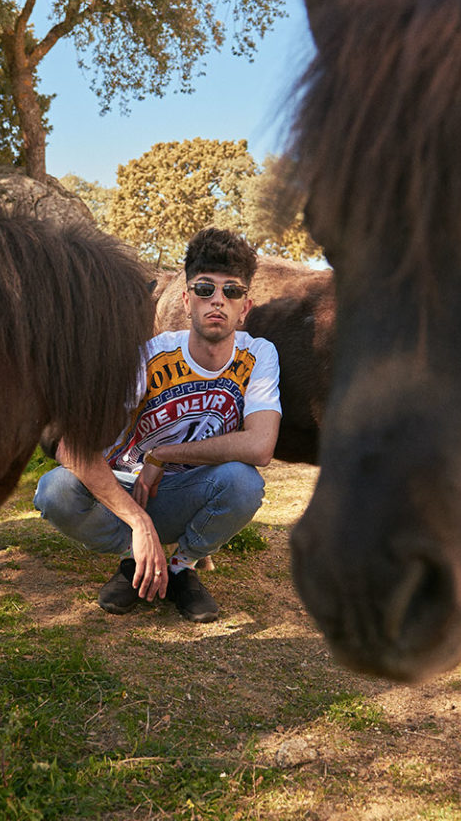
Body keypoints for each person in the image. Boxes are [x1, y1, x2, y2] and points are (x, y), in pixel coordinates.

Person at [34, 227, 281, 623]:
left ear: (245, 307)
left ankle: (182, 567)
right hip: (129, 492)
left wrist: (162, 454)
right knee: (54, 490)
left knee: (244, 482)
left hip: (193, 494)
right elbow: (69, 447)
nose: (217, 300)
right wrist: (138, 522)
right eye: (204, 289)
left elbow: (260, 447)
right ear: (186, 300)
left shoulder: (259, 355)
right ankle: (135, 560)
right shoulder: (150, 356)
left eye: (231, 291)